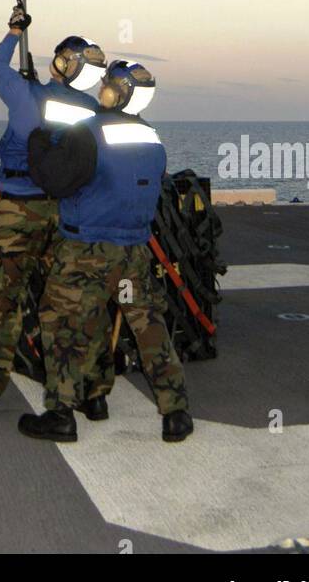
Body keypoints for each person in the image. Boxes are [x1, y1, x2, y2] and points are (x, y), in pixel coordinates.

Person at [18, 60, 194, 445]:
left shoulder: (89, 134)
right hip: (134, 251)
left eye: (108, 84)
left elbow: (54, 180)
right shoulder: (152, 138)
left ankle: (62, 413)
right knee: (148, 326)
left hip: (86, 250)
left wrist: (37, 139)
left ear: (121, 92)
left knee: (64, 323)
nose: (101, 89)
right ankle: (175, 412)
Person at [0, 3, 105, 429]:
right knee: (67, 306)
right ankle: (92, 394)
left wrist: (15, 30)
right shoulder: (90, 110)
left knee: (1, 301)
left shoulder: (25, 94)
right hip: (66, 214)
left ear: (59, 62)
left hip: (17, 210)